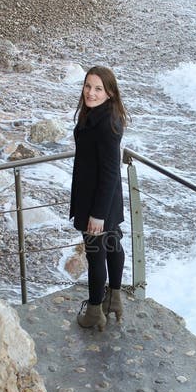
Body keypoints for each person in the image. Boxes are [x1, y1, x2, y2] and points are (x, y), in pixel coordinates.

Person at [69, 65, 128, 331]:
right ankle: (113, 300)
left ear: (110, 93)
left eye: (98, 89)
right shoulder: (100, 115)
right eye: (87, 86)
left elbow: (110, 171)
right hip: (108, 198)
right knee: (113, 245)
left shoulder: (106, 125)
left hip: (98, 202)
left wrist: (97, 215)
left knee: (96, 254)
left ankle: (94, 312)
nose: (90, 93)